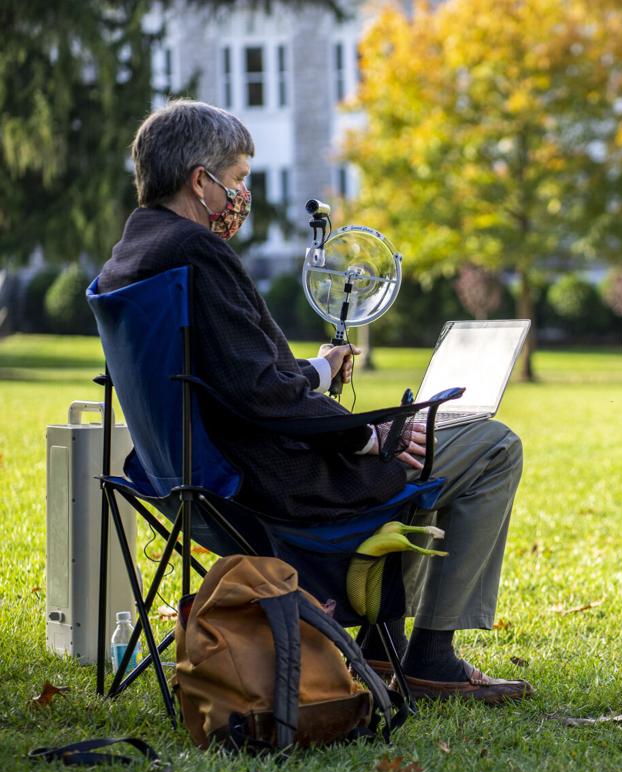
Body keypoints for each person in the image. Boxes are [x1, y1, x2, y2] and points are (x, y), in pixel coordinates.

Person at [98, 99, 530, 703]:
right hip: (269, 485)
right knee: (490, 447)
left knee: (417, 446)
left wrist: (316, 371)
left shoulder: (132, 258)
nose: (243, 194)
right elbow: (258, 391)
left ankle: (385, 649)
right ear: (202, 181)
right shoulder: (196, 252)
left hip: (192, 481)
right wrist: (365, 436)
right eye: (241, 179)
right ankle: (430, 656)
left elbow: (226, 377)